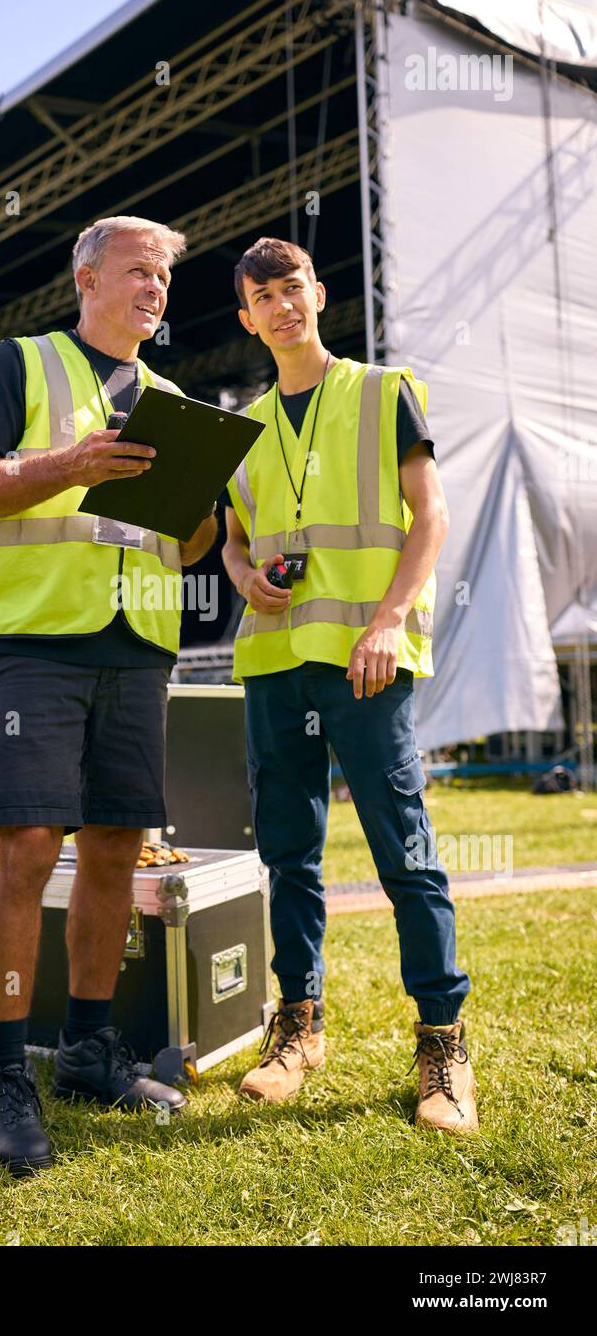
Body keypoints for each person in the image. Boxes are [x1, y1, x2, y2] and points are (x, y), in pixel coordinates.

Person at [0, 215, 219, 1177]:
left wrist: (200, 515)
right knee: (27, 847)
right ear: (87, 278)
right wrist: (68, 465)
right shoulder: (20, 365)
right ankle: (8, 1075)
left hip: (139, 646)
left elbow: (187, 548)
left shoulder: (174, 397)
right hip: (36, 644)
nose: (156, 290)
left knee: (113, 848)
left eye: (166, 280)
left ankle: (91, 1053)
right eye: (140, 272)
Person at [219, 237, 477, 1133]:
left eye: (292, 289)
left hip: (368, 657)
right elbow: (234, 538)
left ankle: (443, 1045)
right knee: (288, 855)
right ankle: (298, 1027)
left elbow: (431, 515)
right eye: (263, 297)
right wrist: (244, 571)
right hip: (274, 658)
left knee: (404, 853)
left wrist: (386, 620)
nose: (281, 306)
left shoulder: (381, 391)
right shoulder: (241, 426)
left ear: (318, 295)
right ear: (247, 318)